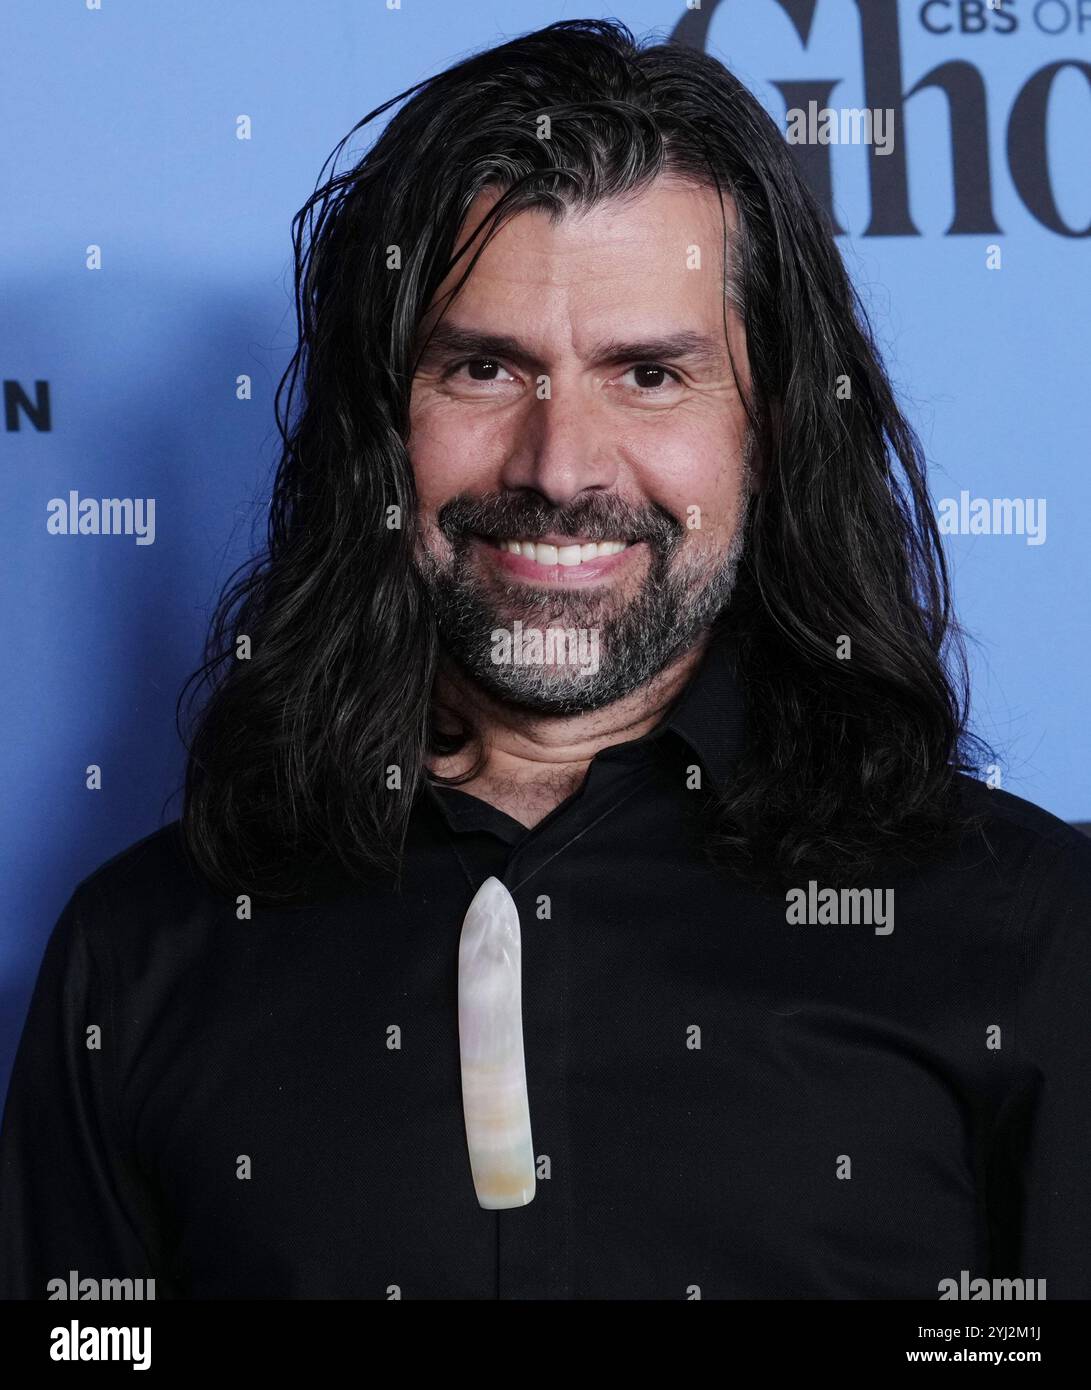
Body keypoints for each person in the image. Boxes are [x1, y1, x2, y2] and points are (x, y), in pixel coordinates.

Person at [2, 18, 1089, 1300]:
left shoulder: (1027, 929)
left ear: (772, 427)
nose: (557, 465)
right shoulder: (145, 947)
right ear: (376, 424)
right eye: (480, 367)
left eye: (645, 374)